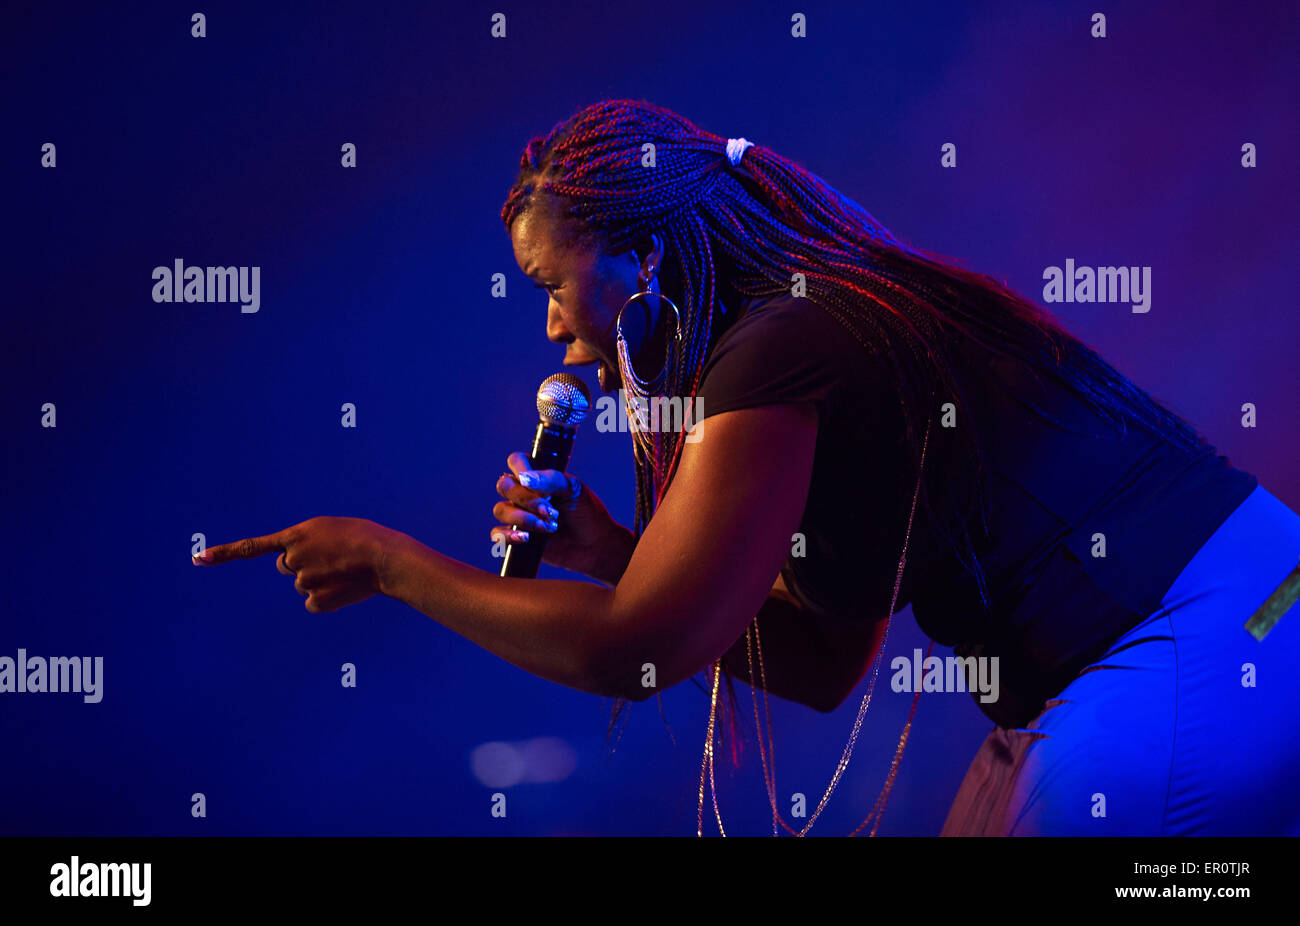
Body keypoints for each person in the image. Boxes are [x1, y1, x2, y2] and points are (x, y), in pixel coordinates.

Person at [193, 99, 1300, 836]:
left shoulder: (783, 342)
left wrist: (388, 561)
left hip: (1207, 636)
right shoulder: (794, 327)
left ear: (643, 255)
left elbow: (641, 648)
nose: (547, 327)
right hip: (1217, 619)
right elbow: (821, 659)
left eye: (549, 283)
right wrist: (616, 550)